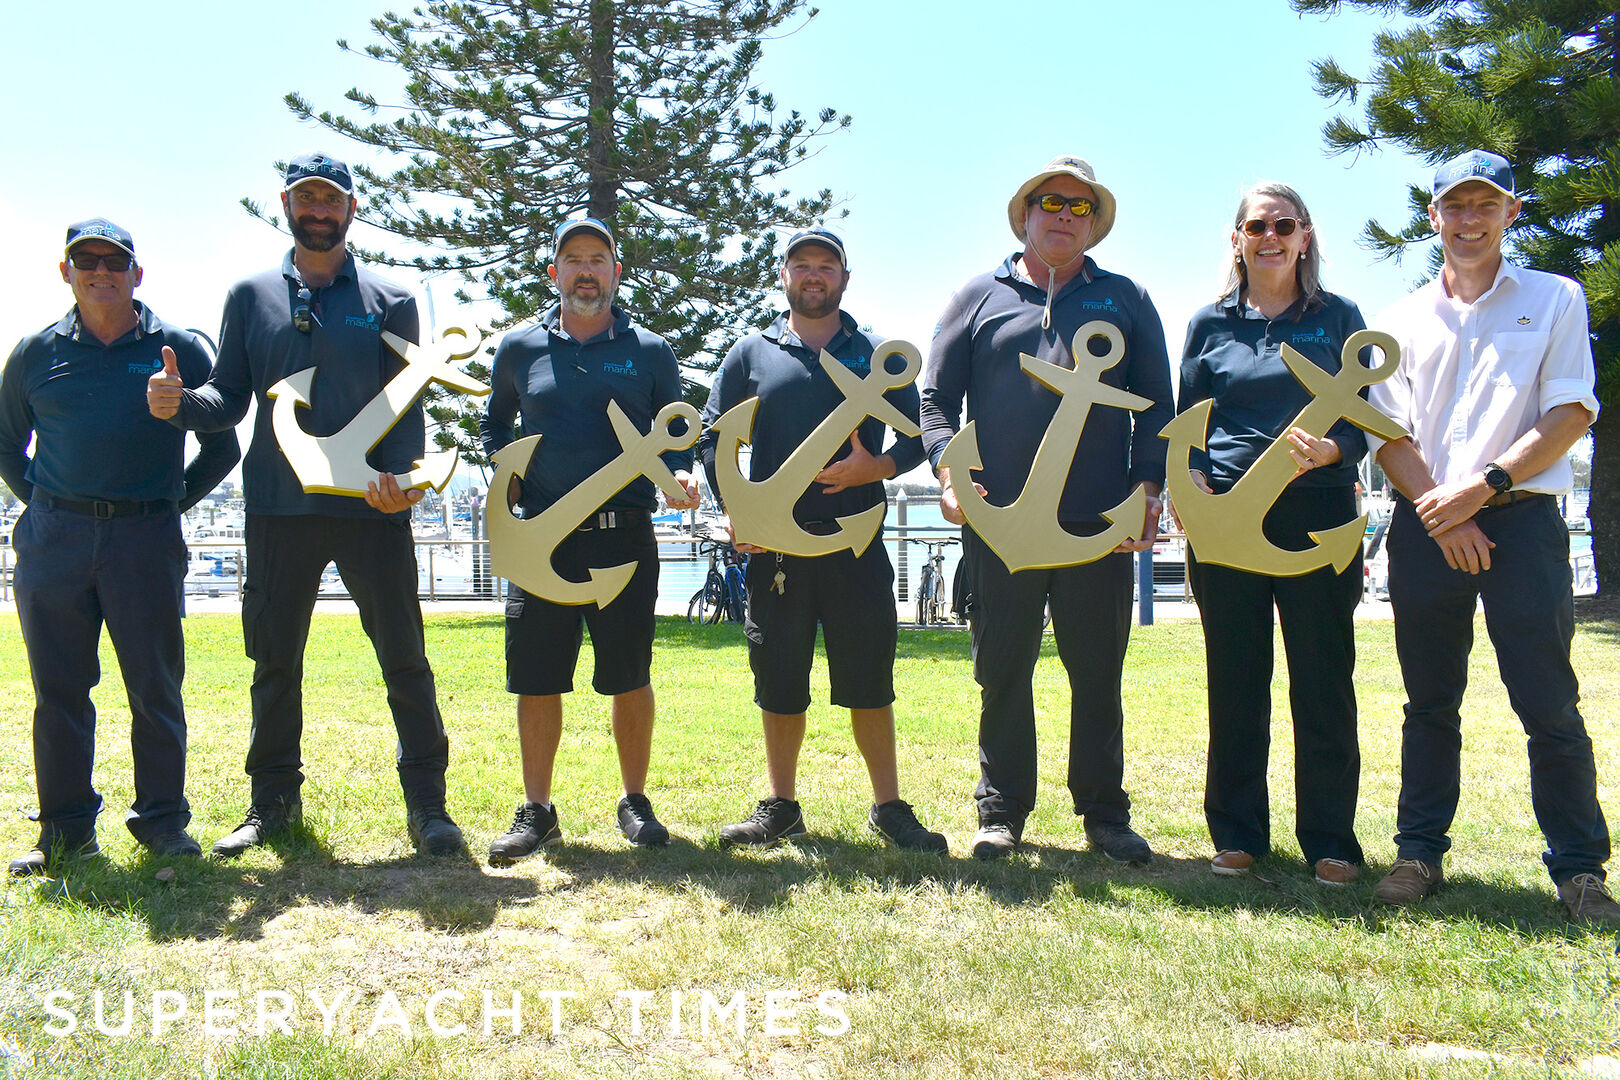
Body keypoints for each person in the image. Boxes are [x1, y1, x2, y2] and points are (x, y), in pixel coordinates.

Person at [148, 152, 464, 858]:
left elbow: (408, 408)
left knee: (405, 658)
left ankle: (429, 808)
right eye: (306, 197)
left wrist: (401, 481)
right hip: (277, 510)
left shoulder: (392, 301)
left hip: (371, 512)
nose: (319, 209)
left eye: (331, 198)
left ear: (352, 210)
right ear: (285, 206)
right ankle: (272, 806)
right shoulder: (249, 297)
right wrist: (179, 407)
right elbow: (227, 398)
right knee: (274, 664)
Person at [1366, 149, 1616, 925]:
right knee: (1429, 702)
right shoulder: (1401, 316)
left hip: (1524, 526)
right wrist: (1447, 513)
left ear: (1513, 213)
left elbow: (1570, 412)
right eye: (1455, 206)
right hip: (1427, 528)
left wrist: (1483, 490)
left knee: (1549, 705)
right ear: (1432, 216)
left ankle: (1579, 872)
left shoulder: (1556, 298)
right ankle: (1418, 853)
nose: (1469, 220)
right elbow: (1385, 434)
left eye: (1487, 205)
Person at [920, 156, 1173, 861]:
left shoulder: (1126, 300)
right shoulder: (978, 296)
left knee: (1097, 673)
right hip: (998, 522)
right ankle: (1001, 813)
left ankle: (1104, 815)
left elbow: (1156, 405)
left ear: (1093, 223)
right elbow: (936, 402)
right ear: (1025, 213)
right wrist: (950, 472)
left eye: (1080, 207)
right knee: (1002, 670)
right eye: (1051, 201)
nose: (1065, 214)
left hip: (1099, 524)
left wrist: (1148, 488)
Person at [2, 219, 239, 875]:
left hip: (144, 538)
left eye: (115, 261)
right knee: (59, 692)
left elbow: (224, 441)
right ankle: (65, 832)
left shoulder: (177, 347)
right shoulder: (34, 352)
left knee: (155, 688)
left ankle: (163, 824)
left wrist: (166, 504)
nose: (100, 271)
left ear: (137, 274)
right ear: (66, 272)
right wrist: (47, 501)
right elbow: (5, 442)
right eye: (87, 261)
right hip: (55, 541)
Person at [699, 228, 947, 853]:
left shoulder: (876, 354)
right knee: (779, 681)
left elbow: (917, 439)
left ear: (844, 278)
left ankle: (888, 807)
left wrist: (878, 468)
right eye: (802, 265)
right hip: (773, 553)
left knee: (870, 679)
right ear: (784, 276)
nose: (814, 275)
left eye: (826, 266)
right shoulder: (750, 355)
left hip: (855, 548)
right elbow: (711, 438)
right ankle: (780, 805)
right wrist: (735, 512)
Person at [478, 217, 699, 862]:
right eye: (572, 258)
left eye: (597, 258)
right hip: (541, 542)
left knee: (630, 674)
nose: (585, 269)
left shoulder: (651, 352)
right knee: (538, 679)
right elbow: (495, 431)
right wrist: (507, 475)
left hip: (623, 538)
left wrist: (681, 473)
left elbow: (680, 436)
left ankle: (634, 800)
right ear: (555, 272)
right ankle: (538, 810)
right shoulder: (520, 349)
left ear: (616, 272)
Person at [1176, 183, 1368, 886]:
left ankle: (1330, 840)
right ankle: (1236, 833)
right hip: (1224, 521)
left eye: (1284, 225)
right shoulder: (1208, 325)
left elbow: (1364, 423)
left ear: (1306, 236)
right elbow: (1188, 418)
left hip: (1315, 513)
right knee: (1236, 681)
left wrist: (1336, 453)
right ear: (1237, 239)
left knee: (1322, 682)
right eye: (1256, 225)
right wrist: (1191, 481)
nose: (1270, 236)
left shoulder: (1339, 318)